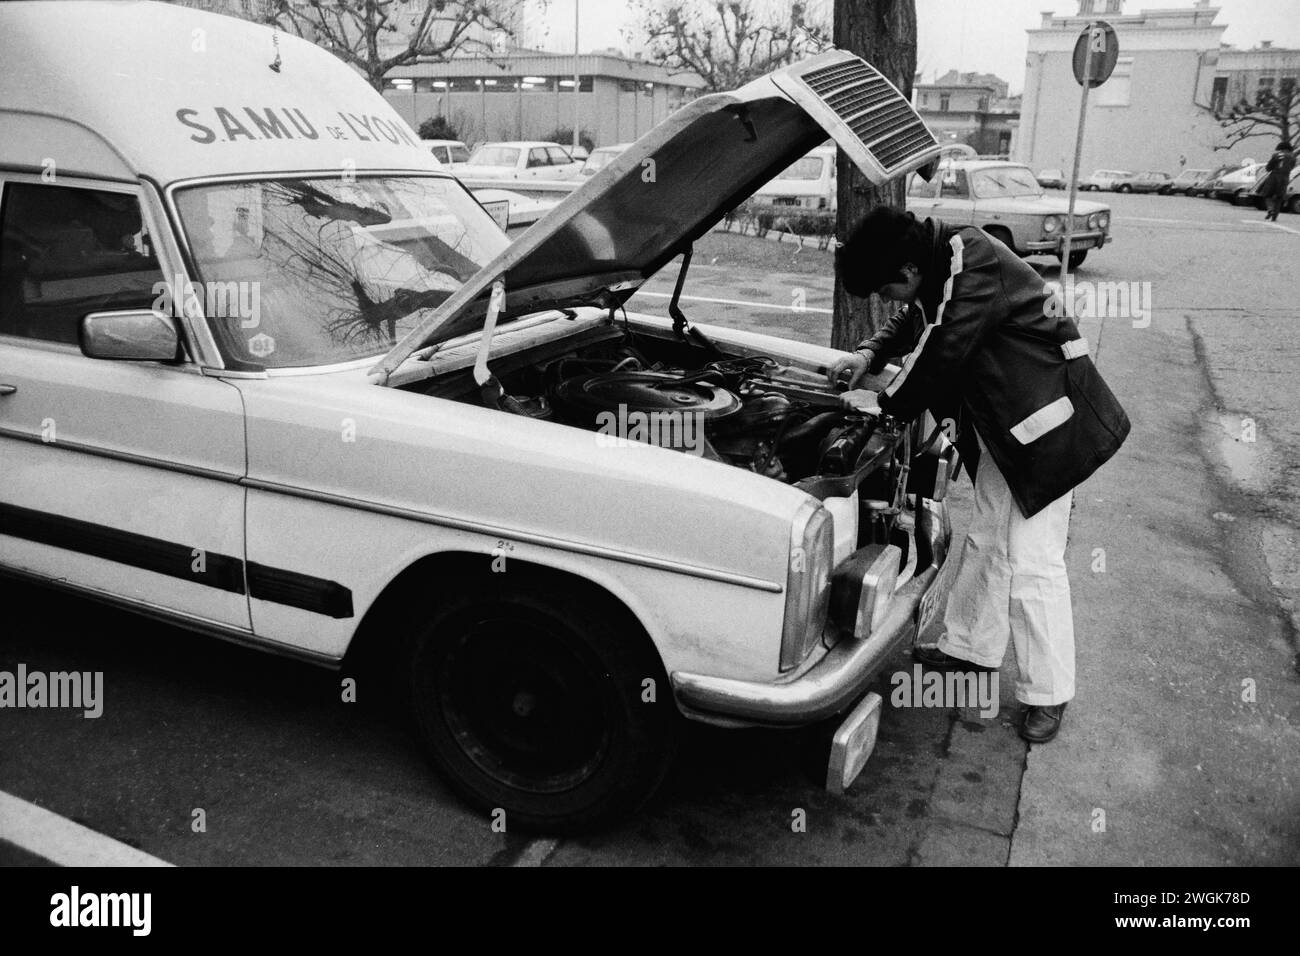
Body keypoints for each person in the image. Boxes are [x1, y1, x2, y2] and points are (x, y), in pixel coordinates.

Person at [827, 206, 1130, 743]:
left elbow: (944, 341)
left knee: (1034, 560)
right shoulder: (939, 263)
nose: (888, 300)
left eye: (886, 289)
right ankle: (970, 651)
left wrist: (885, 401)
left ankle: (1049, 692)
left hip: (1050, 430)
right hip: (1008, 427)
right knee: (989, 538)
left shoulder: (972, 258)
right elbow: (918, 317)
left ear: (908, 269)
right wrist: (871, 352)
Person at [1260, 140, 1295, 222]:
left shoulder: (1277, 155)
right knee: (1279, 198)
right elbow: (1291, 168)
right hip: (1285, 178)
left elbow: (1268, 168)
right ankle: (1274, 217)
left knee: (1267, 195)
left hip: (1274, 177)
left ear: (1281, 148)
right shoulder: (1293, 157)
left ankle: (1270, 209)